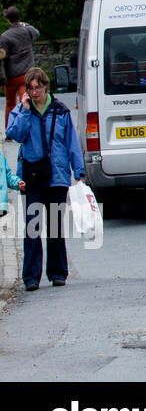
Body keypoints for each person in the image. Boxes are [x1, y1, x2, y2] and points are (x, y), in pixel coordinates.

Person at [8, 67, 84, 291]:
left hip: (57, 176)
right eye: (30, 89)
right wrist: (23, 110)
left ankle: (58, 273)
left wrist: (78, 172)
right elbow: (16, 135)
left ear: (45, 86)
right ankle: (31, 277)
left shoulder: (60, 111)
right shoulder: (23, 111)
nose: (34, 92)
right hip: (32, 175)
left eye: (37, 87)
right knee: (32, 228)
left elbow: (71, 143)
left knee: (55, 227)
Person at [0, 8, 39, 120]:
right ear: (19, 18)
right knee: (26, 101)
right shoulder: (27, 31)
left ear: (8, 20)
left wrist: (2, 78)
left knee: (10, 104)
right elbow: (37, 33)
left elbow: (2, 59)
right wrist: (25, 25)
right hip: (27, 74)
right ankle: (27, 127)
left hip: (12, 76)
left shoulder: (5, 37)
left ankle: (10, 130)